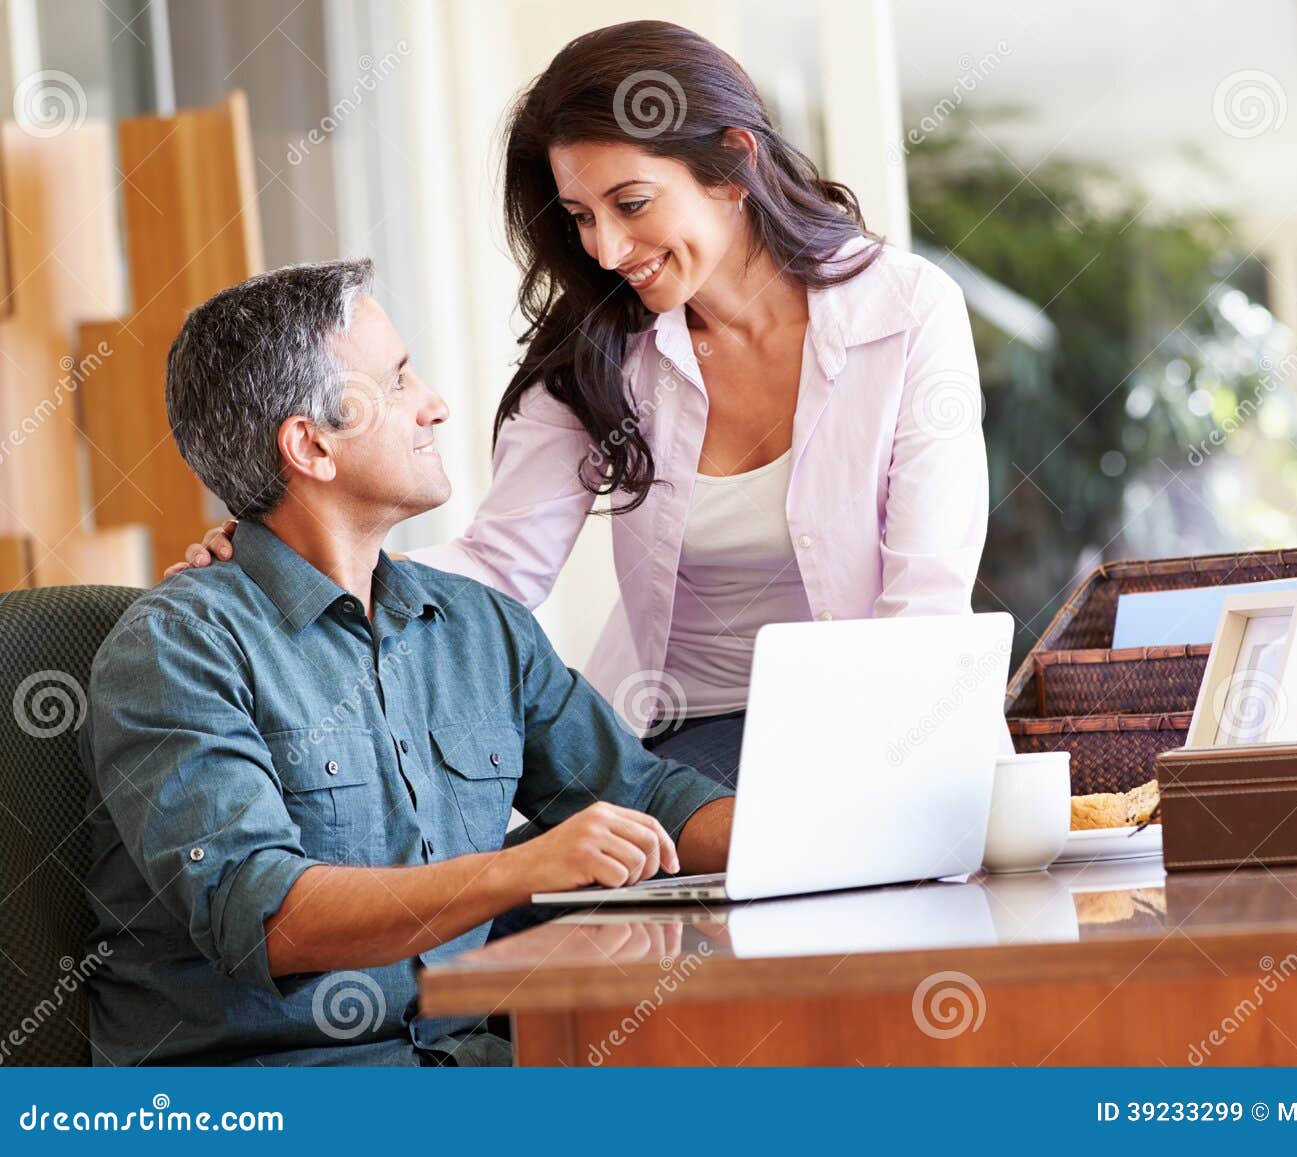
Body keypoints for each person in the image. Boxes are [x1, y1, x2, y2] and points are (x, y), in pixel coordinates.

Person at [168, 20, 994, 788]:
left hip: (879, 723)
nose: (604, 249)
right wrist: (284, 565)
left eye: (630, 205)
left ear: (735, 162)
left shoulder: (908, 314)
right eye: (580, 217)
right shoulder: (604, 349)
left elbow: (926, 597)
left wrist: (883, 773)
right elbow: (500, 566)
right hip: (686, 734)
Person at [82, 260, 734, 1066]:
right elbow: (265, 914)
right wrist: (521, 867)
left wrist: (822, 838)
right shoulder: (178, 647)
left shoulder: (477, 625)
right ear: (312, 444)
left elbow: (648, 794)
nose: (435, 403)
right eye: (397, 381)